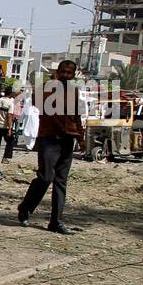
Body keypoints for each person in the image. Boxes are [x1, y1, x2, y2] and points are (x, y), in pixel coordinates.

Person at [17, 59, 84, 234]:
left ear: (73, 75)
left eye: (69, 73)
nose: (65, 75)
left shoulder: (74, 91)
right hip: (49, 139)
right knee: (45, 177)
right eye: (63, 72)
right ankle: (26, 207)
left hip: (68, 139)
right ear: (57, 72)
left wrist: (81, 138)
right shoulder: (46, 88)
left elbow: (77, 116)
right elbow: (36, 103)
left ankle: (56, 221)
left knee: (61, 181)